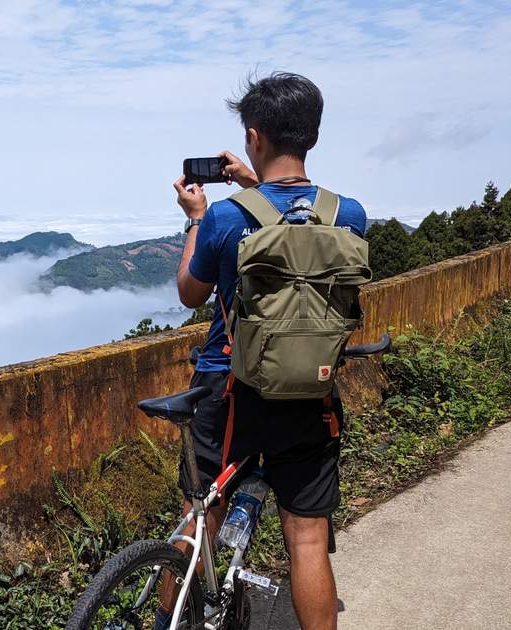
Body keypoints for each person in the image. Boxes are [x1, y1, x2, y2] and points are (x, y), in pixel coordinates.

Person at [158, 72, 367, 630]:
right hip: (310, 391)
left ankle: (168, 621)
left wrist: (198, 221)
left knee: (196, 522)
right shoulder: (348, 214)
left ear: (254, 136)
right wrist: (257, 183)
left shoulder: (227, 218)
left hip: (229, 392)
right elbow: (299, 222)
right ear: (313, 138)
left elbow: (189, 292)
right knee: (306, 540)